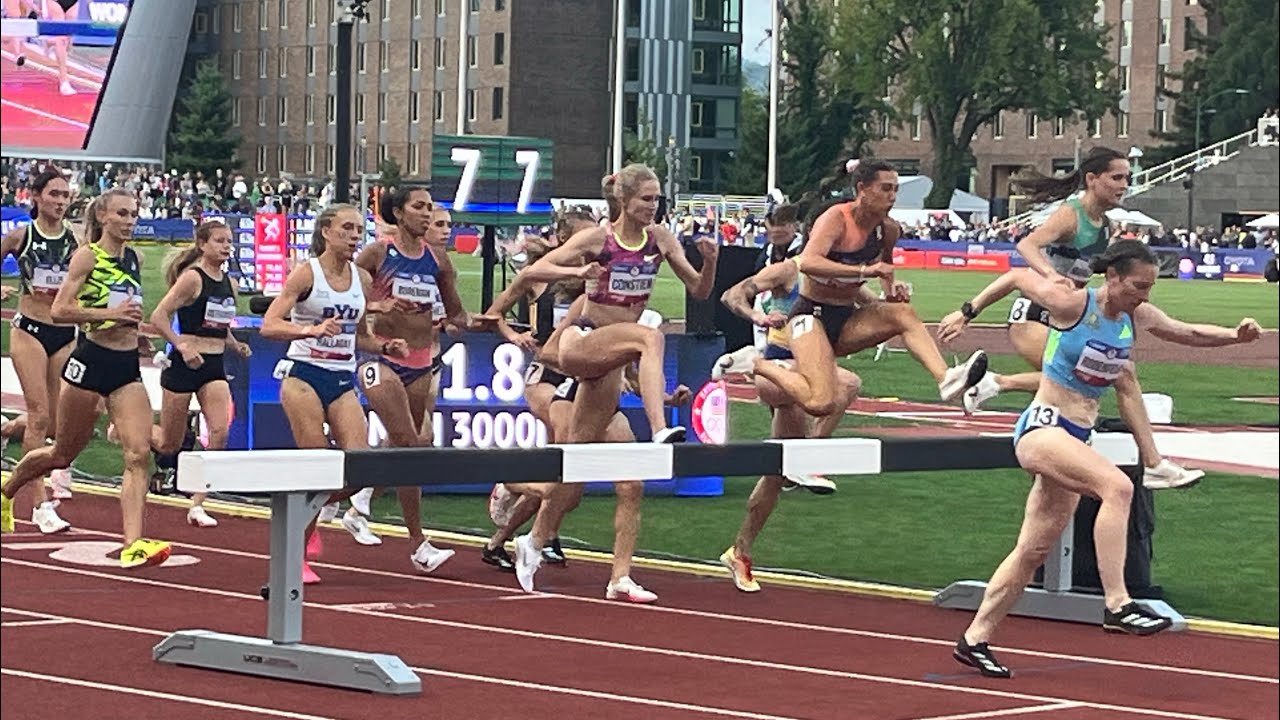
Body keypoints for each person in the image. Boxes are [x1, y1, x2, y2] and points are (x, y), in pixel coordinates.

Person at [953, 241, 1263, 678]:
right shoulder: (1073, 304)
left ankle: (974, 638)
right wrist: (967, 311)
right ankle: (1117, 603)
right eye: (1138, 286)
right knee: (1117, 486)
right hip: (1043, 428)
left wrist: (1236, 336)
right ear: (1113, 276)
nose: (1145, 296)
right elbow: (1017, 276)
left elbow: (1185, 332)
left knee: (1033, 549)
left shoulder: (1135, 317)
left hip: (1077, 435)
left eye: (1151, 287)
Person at [487, 163, 721, 595]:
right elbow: (531, 274)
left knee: (598, 472)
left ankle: (576, 559)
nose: (654, 207)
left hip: (610, 363)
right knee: (650, 336)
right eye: (646, 199)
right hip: (582, 341)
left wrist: (710, 262)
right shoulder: (599, 239)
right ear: (623, 201)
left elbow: (701, 291)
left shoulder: (662, 240)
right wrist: (576, 274)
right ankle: (659, 430)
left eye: (657, 200)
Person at [939, 146, 1203, 490]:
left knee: (1093, 376)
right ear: (1092, 180)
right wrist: (1047, 276)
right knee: (1116, 373)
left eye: (1128, 178)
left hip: (1065, 319)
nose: (1125, 185)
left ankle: (987, 383)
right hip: (1034, 315)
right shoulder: (1070, 215)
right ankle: (1152, 463)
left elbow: (1101, 276)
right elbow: (1026, 248)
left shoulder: (1105, 226)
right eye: (1117, 177)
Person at [725, 159, 988, 419]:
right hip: (810, 316)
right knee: (820, 403)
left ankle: (946, 378)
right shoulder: (836, 218)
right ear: (862, 189)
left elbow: (886, 270)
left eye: (896, 189)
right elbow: (808, 262)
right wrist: (864, 272)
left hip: (846, 319)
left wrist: (892, 291)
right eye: (885, 189)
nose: (892, 196)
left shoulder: (888, 230)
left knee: (902, 312)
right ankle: (754, 363)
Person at [0, 189, 171, 568]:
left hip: (126, 367)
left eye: (134, 214)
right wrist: (106, 318)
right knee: (63, 452)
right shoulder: (87, 256)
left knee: (138, 453)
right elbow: (60, 310)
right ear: (104, 217)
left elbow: (125, 309)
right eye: (122, 214)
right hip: (90, 361)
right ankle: (7, 488)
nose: (129, 221)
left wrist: (134, 331)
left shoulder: (134, 258)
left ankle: (133, 544)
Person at [716, 206, 864, 592]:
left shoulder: (837, 277)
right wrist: (757, 318)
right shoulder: (789, 270)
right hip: (777, 368)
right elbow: (733, 295)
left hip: (804, 381)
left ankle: (740, 551)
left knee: (776, 472)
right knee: (846, 385)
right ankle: (813, 456)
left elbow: (873, 305)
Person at [260, 203, 409, 584]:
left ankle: (299, 512)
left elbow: (357, 336)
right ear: (326, 231)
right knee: (318, 464)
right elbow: (270, 325)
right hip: (304, 374)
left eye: (359, 230)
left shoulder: (361, 278)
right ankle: (296, 551)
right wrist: (308, 331)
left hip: (342, 376)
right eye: (346, 228)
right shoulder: (306, 273)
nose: (354, 237)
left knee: (358, 467)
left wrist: (384, 347)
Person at [350, 188, 468, 573]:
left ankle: (335, 500)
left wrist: (449, 323)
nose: (426, 214)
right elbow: (343, 294)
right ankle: (418, 542)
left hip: (419, 362)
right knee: (405, 441)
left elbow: (457, 314)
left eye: (429, 208)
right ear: (398, 214)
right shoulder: (378, 254)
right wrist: (378, 305)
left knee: (411, 448)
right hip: (377, 355)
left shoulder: (437, 260)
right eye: (419, 207)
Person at [148, 220, 251, 528]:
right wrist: (179, 344)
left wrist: (235, 344)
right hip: (184, 364)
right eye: (219, 240)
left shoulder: (229, 283)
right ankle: (132, 429)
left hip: (214, 366)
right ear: (203, 244)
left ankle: (197, 504)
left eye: (229, 241)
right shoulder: (192, 278)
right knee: (169, 443)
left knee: (220, 432)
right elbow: (158, 316)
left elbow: (220, 324)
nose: (226, 246)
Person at [0, 166, 76, 533]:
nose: (60, 202)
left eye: (65, 196)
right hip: (29, 330)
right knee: (40, 414)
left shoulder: (75, 242)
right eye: (54, 195)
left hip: (64, 332)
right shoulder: (21, 236)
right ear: (36, 197)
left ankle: (4, 431)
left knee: (61, 422)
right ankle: (40, 505)